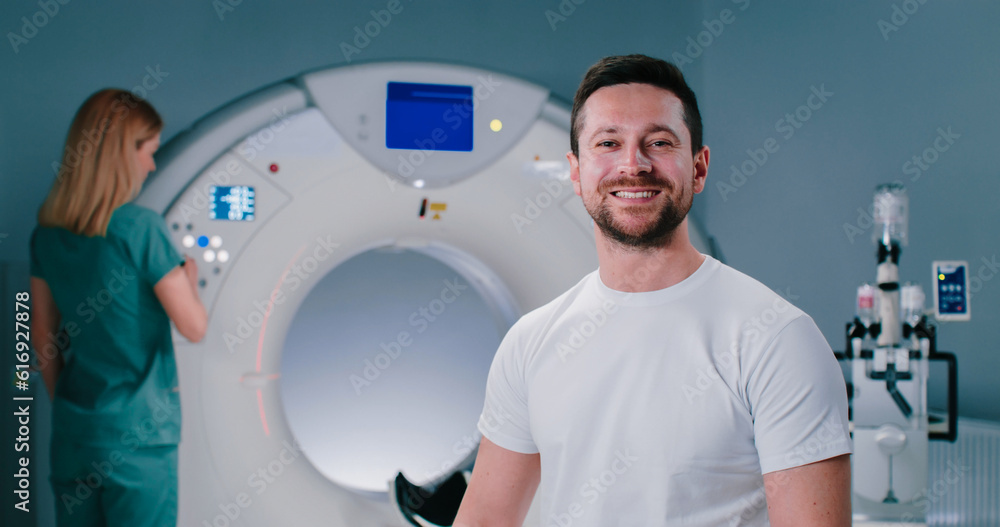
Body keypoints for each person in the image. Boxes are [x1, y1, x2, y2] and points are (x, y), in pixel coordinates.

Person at [454, 55, 851, 526]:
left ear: (699, 169)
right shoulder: (530, 342)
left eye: (659, 142)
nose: (633, 164)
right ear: (576, 173)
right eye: (608, 143)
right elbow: (485, 519)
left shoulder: (775, 339)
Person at [29, 88, 207, 527]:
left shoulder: (46, 236)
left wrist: (68, 407)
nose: (151, 165)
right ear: (121, 153)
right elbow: (194, 327)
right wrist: (190, 279)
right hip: (139, 439)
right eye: (149, 152)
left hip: (74, 435)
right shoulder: (141, 229)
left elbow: (40, 337)